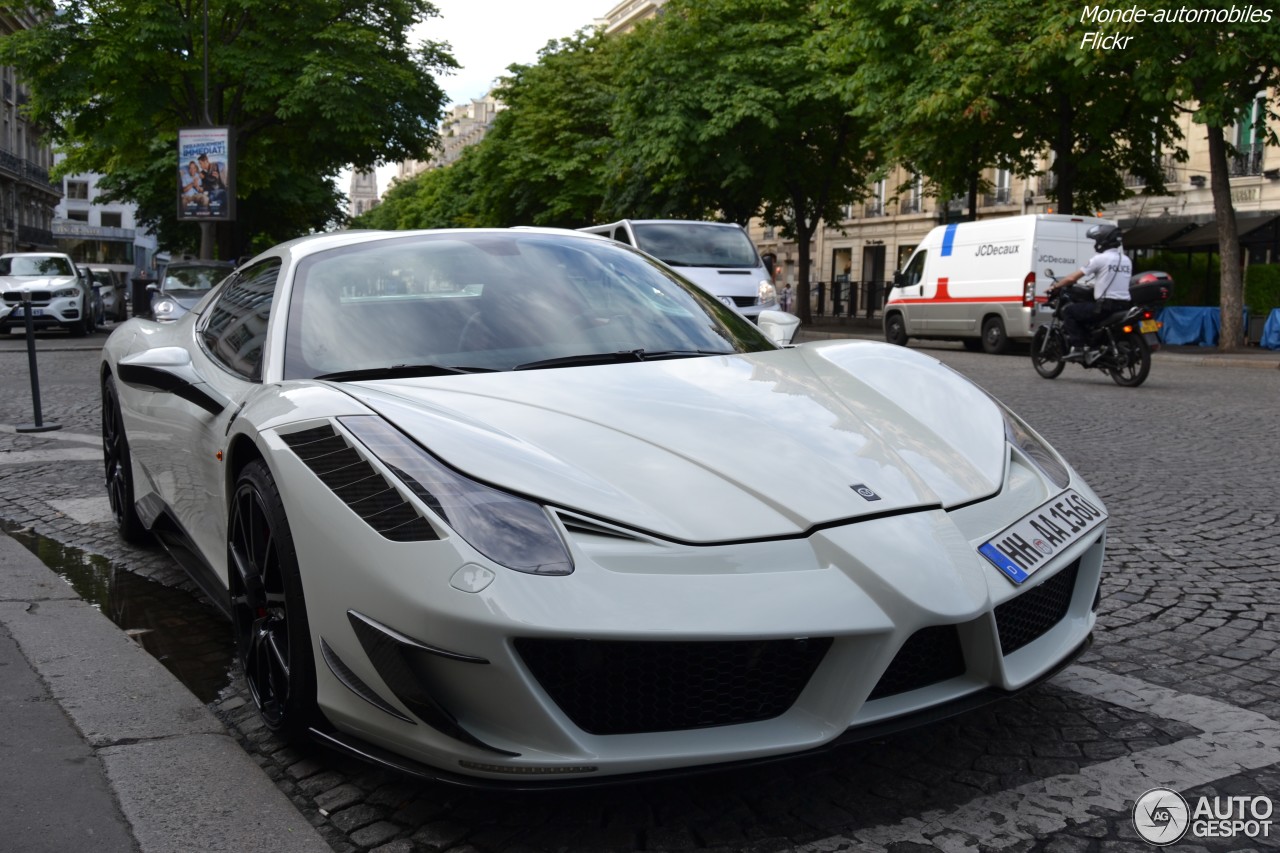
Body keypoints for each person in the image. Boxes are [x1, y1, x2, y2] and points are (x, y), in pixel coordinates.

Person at [1048, 223, 1132, 361]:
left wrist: (1055, 286)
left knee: (1069, 312)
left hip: (1106, 306)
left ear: (1103, 240)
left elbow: (1072, 278)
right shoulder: (1126, 260)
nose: (1096, 243)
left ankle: (1079, 348)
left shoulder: (1100, 259)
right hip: (1124, 305)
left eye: (1096, 240)